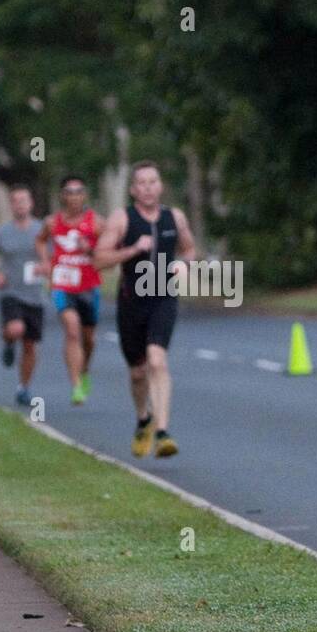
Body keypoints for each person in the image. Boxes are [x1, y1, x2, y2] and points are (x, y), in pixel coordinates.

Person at [94, 161, 196, 458]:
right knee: (138, 372)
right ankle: (143, 419)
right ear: (133, 189)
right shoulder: (121, 219)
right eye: (142, 183)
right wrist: (133, 249)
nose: (148, 188)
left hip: (163, 296)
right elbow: (99, 260)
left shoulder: (174, 217)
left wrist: (184, 264)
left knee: (157, 360)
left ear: (160, 186)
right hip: (131, 301)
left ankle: (163, 432)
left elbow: (189, 249)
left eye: (153, 182)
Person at [35, 177, 104, 405]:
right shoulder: (53, 223)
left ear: (85, 195)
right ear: (62, 196)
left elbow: (109, 249)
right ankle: (75, 385)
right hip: (62, 284)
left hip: (89, 285)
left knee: (89, 338)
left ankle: (84, 370)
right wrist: (46, 262)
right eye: (69, 192)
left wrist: (91, 249)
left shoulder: (96, 223)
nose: (74, 196)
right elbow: (40, 241)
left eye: (78, 191)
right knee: (72, 330)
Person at [0, 186, 45, 406]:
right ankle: (9, 341)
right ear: (11, 206)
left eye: (24, 200)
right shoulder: (2, 233)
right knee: (15, 328)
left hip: (34, 294)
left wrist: (45, 267)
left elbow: (53, 257)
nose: (20, 205)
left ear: (31, 204)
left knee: (30, 345)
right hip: (10, 291)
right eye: (16, 201)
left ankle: (24, 387)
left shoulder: (42, 230)